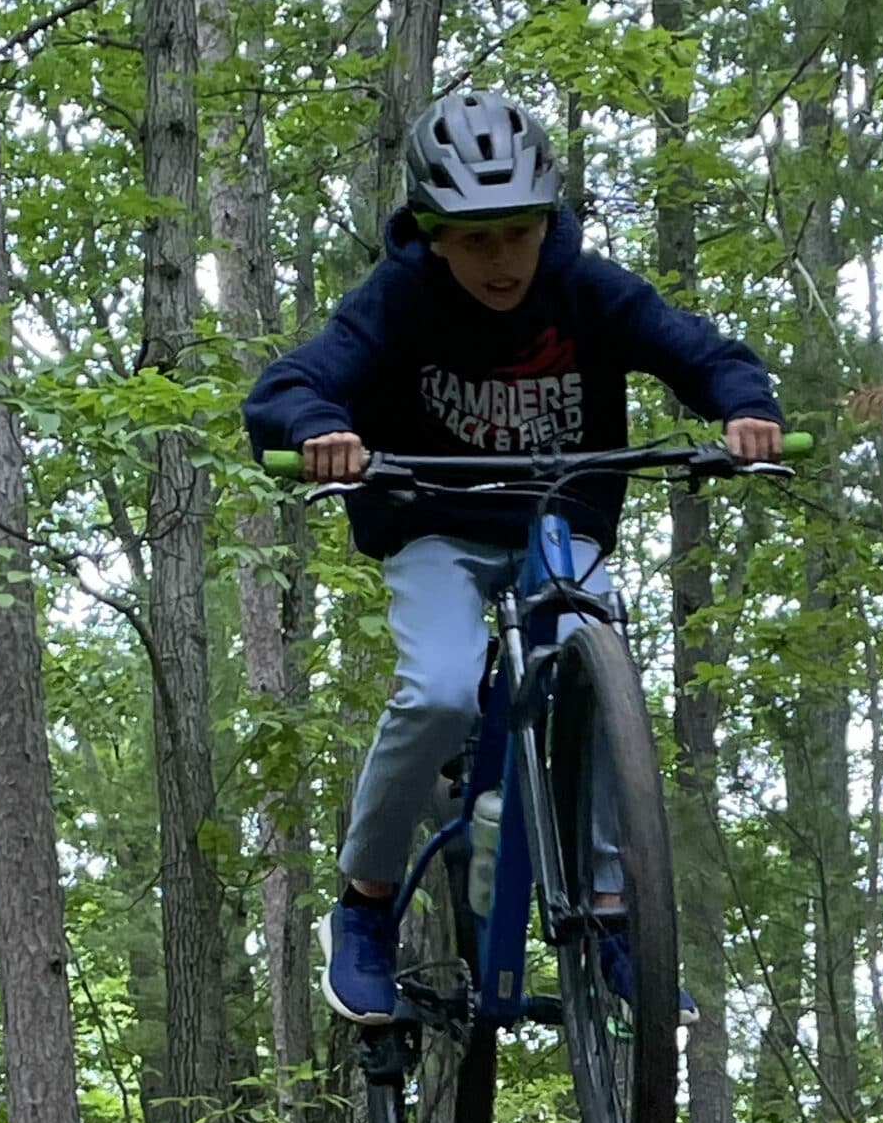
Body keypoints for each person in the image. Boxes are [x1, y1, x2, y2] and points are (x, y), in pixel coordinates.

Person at [245, 89, 784, 1023]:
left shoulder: (589, 290)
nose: (501, 260)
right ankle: (365, 907)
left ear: (548, 221)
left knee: (601, 678)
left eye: (519, 233)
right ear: (434, 234)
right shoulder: (400, 298)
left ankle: (615, 919)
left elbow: (695, 349)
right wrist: (322, 428)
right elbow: (293, 383)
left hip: (555, 526)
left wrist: (745, 407)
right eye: (475, 239)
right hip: (435, 527)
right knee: (443, 689)